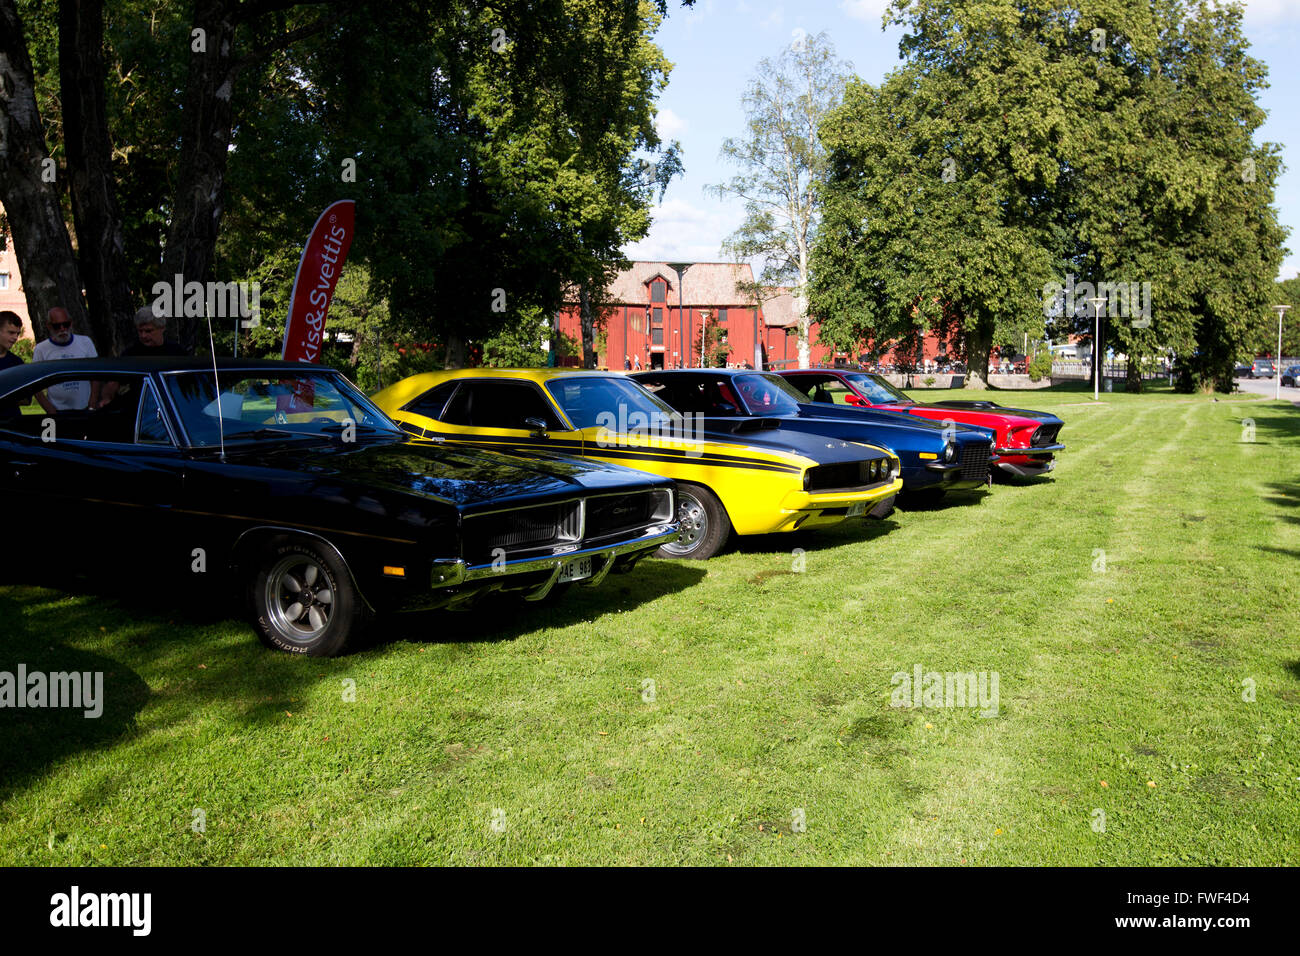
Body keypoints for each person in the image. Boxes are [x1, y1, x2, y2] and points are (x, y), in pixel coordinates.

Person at [95, 306, 191, 407]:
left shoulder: (177, 352)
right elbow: (113, 382)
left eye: (148, 331)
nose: (143, 336)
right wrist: (106, 398)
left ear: (162, 328)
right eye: (140, 331)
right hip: (141, 409)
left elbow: (190, 384)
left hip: (173, 405)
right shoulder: (131, 353)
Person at [32, 307, 98, 413]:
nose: (62, 329)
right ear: (49, 326)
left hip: (85, 408)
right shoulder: (41, 349)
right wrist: (50, 410)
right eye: (57, 326)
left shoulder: (85, 343)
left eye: (65, 324)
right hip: (58, 410)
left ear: (71, 323)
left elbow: (96, 374)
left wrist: (92, 403)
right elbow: (35, 384)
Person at [0, 311, 25, 418]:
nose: (15, 338)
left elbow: (25, 399)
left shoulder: (16, 362)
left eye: (18, 334)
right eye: (11, 333)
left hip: (12, 423)